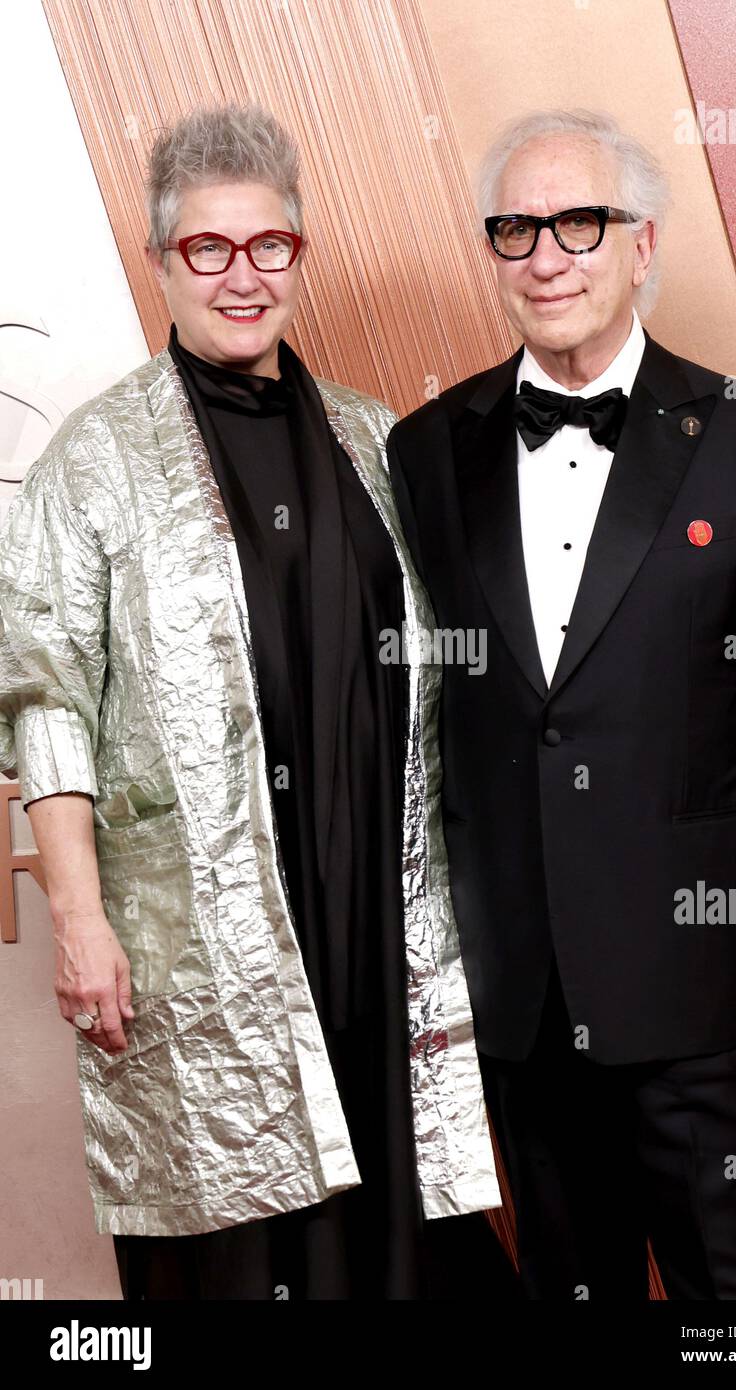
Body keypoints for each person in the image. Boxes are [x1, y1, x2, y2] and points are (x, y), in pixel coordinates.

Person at [0, 102, 513, 1300]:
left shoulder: (376, 440)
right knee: (238, 1246)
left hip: (376, 923)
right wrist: (80, 922)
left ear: (299, 252)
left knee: (405, 1230)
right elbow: (47, 698)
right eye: (208, 249)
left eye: (268, 245)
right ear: (162, 261)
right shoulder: (94, 458)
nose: (242, 276)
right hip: (201, 945)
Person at [386, 108, 736, 1300]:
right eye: (515, 230)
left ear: (639, 243)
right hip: (523, 999)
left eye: (577, 223)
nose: (545, 256)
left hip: (704, 994)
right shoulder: (424, 448)